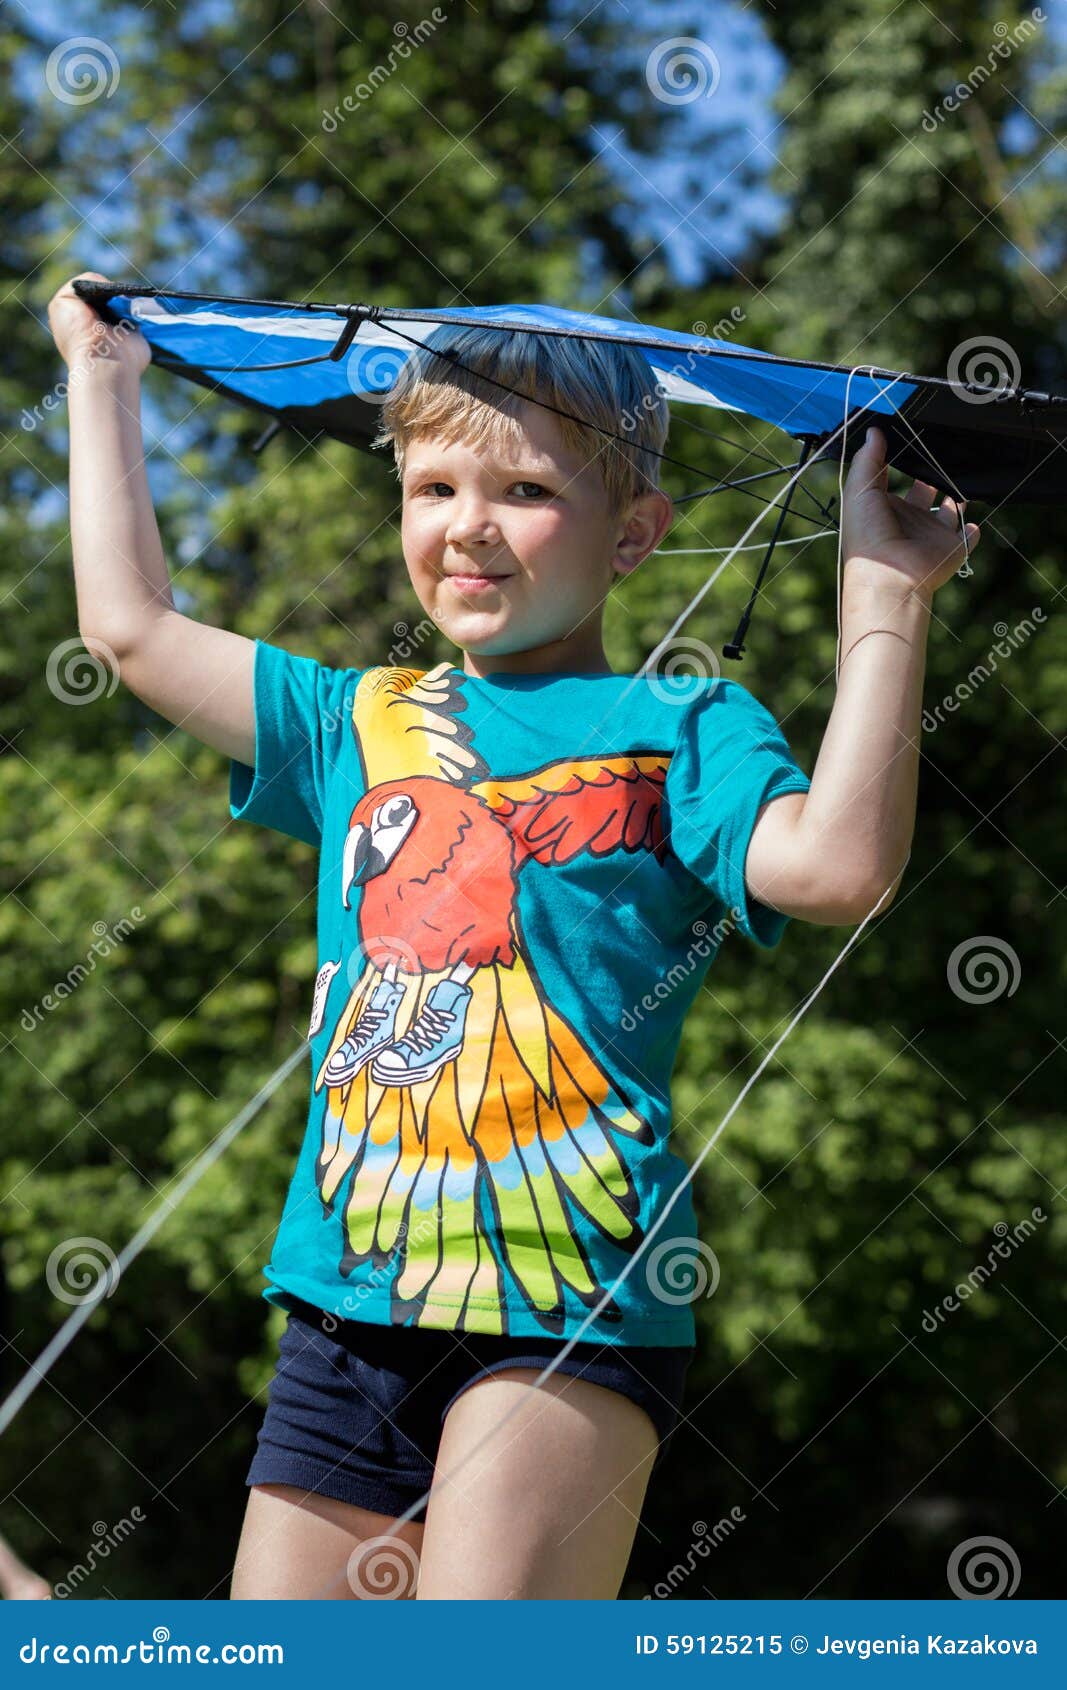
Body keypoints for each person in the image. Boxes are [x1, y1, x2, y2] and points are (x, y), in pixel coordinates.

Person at [48, 273, 979, 1601]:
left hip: (565, 1299)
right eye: (433, 488)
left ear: (635, 532)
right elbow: (129, 629)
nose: (468, 526)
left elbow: (837, 867)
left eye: (527, 490)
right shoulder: (352, 717)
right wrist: (101, 375)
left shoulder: (685, 725)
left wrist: (886, 595)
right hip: (345, 1303)